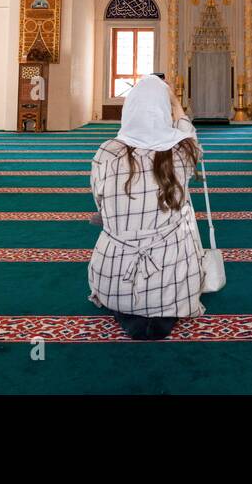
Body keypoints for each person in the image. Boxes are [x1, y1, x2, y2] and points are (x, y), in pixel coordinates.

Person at [88, 75, 205, 340]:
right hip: (173, 280)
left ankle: (128, 307)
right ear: (165, 110)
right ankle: (161, 307)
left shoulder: (106, 152)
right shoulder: (183, 152)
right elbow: (189, 133)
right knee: (184, 210)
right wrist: (174, 99)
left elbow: (100, 202)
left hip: (115, 273)